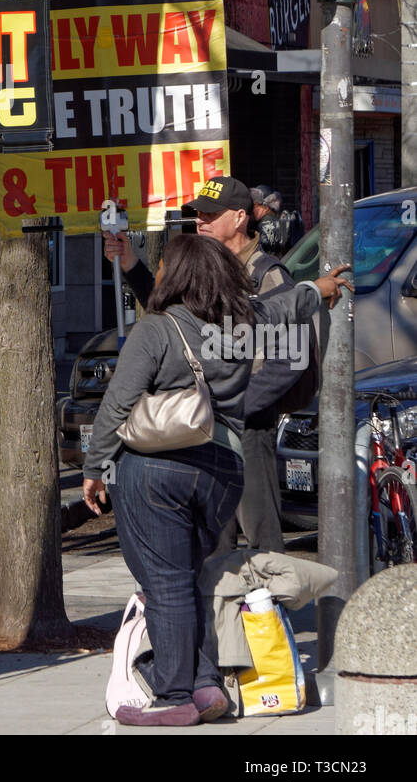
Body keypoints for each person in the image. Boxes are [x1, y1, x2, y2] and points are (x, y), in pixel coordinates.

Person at [83, 233, 351, 727]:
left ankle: (175, 695)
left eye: (162, 267)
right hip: (224, 471)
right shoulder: (243, 323)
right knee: (193, 577)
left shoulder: (156, 330)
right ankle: (207, 686)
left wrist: (96, 468)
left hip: (159, 473)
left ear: (178, 276)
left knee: (164, 582)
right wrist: (319, 288)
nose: (158, 274)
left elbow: (116, 406)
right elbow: (287, 304)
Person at [103, 175, 303, 552]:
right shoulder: (207, 267)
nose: (200, 220)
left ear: (241, 218)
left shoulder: (267, 274)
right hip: (203, 425)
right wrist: (131, 264)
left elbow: (291, 357)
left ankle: (273, 610)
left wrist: (240, 405)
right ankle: (219, 611)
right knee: (212, 541)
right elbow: (173, 316)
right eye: (198, 213)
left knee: (262, 539)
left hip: (246, 426)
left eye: (211, 214)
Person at [251, 184, 286, 255]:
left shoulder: (266, 224)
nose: (251, 209)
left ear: (265, 207)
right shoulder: (273, 221)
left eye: (255, 205)